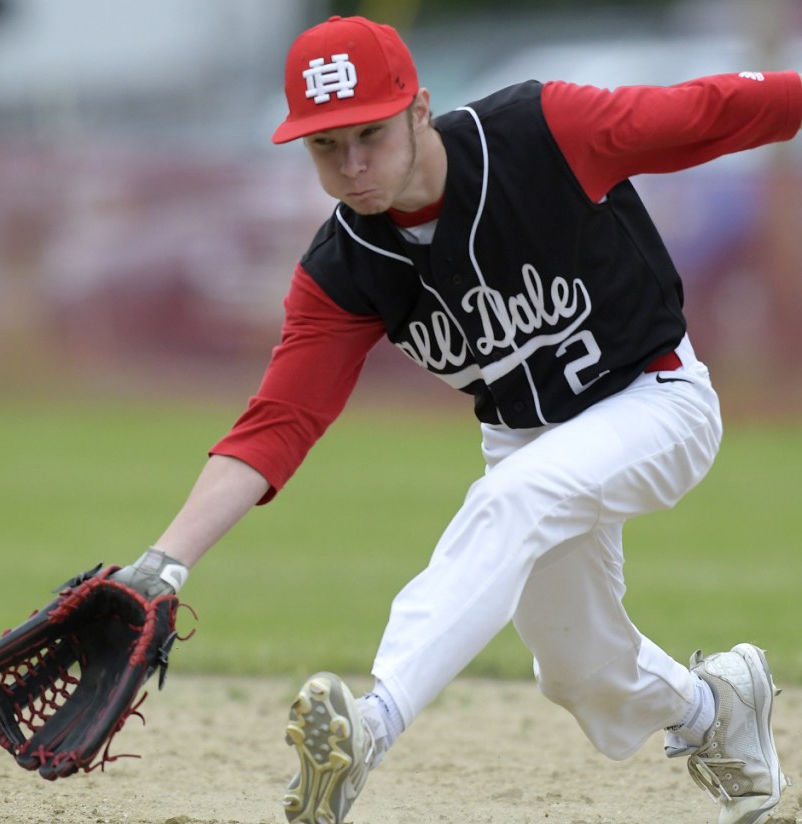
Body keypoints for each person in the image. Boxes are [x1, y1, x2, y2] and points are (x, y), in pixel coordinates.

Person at [113, 15, 802, 824]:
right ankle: (716, 709)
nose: (352, 165)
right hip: (526, 442)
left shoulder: (542, 133)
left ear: (417, 109)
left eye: (368, 133)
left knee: (510, 501)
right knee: (576, 670)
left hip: (657, 401)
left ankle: (370, 727)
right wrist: (163, 564)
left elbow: (713, 109)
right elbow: (276, 424)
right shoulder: (345, 267)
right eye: (325, 146)